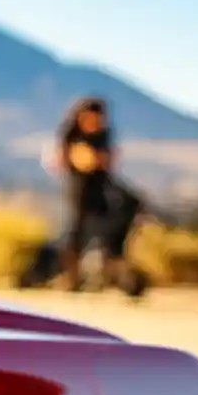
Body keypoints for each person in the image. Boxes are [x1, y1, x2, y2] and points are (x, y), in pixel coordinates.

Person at [44, 97, 122, 291]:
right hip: (78, 188)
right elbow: (66, 161)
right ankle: (71, 277)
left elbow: (107, 160)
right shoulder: (71, 134)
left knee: (106, 229)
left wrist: (95, 160)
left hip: (100, 187)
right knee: (76, 232)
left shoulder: (103, 135)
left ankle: (106, 275)